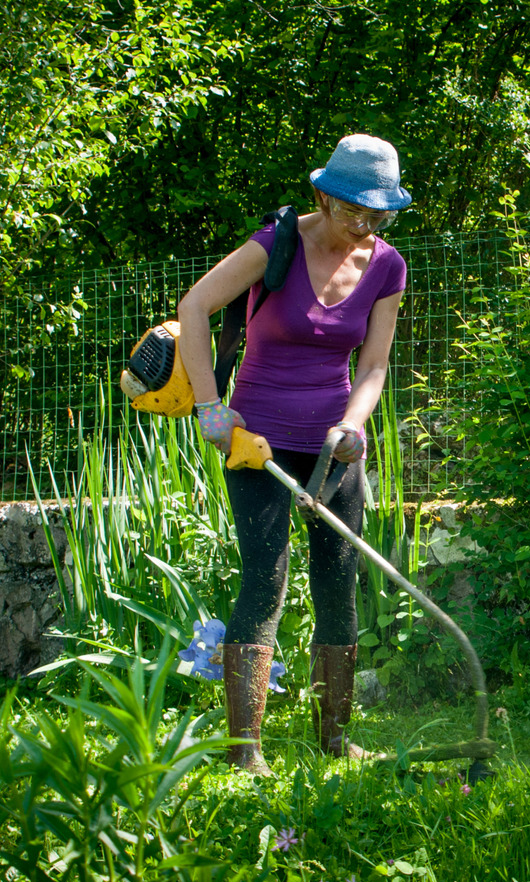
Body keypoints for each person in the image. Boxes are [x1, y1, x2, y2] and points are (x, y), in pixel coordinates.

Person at [175, 134, 411, 775]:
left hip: (333, 448)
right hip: (258, 442)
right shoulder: (276, 242)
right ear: (322, 196)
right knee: (265, 581)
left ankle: (334, 738)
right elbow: (195, 305)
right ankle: (245, 749)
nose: (365, 224)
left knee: (339, 584)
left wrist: (353, 425)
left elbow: (375, 362)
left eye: (378, 213)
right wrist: (209, 405)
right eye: (354, 210)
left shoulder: (387, 266)